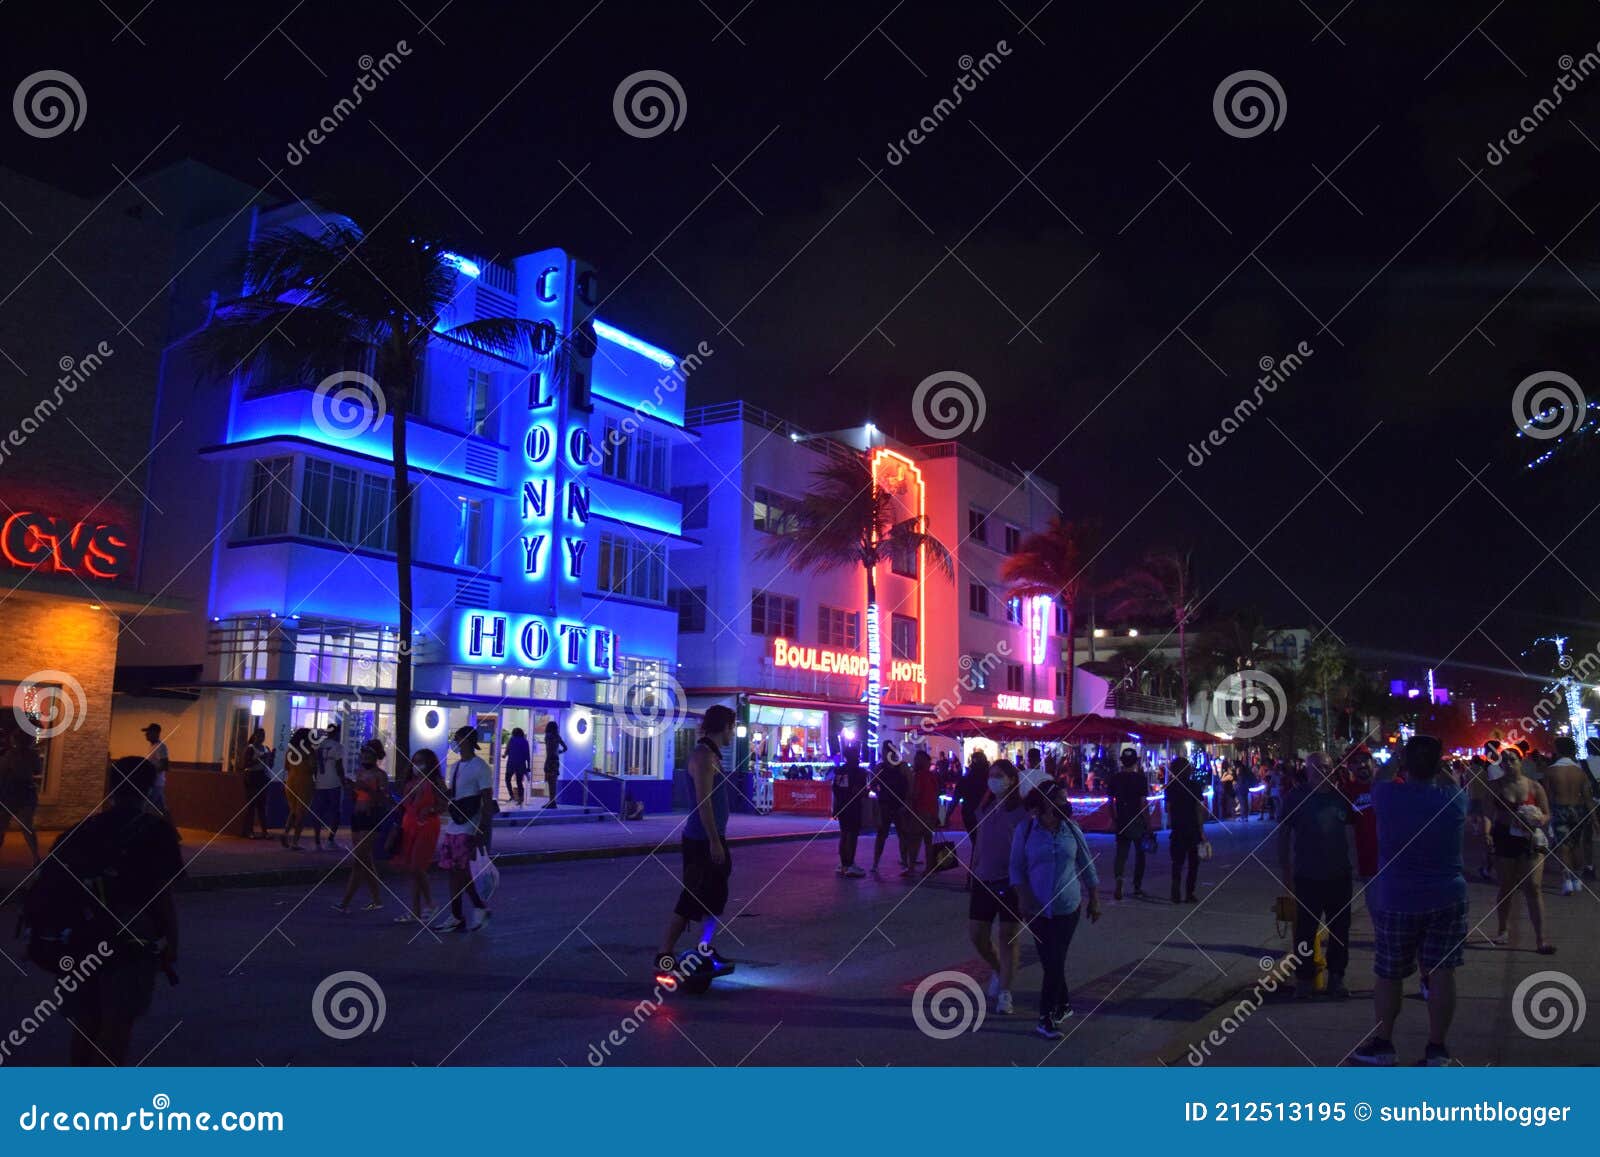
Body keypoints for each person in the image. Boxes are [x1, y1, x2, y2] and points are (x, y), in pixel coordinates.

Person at [56, 756, 181, 1065]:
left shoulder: (85, 828)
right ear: (149, 790)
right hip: (131, 935)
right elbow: (162, 894)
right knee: (117, 1023)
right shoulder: (156, 831)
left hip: (82, 932)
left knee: (87, 1021)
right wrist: (172, 942)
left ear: (111, 789)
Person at [1354, 734, 1467, 1067]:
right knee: (1442, 972)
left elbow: (1380, 776)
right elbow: (1450, 779)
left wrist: (1398, 758)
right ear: (1437, 766)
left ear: (1406, 765)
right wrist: (1438, 764)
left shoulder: (1387, 796)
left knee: (1389, 974)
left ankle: (1384, 1044)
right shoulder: (1455, 799)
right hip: (1447, 895)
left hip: (1398, 897)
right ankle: (1436, 1048)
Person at [1010, 781, 1100, 1039]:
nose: (1066, 803)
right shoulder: (1026, 830)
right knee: (1051, 961)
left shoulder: (1072, 829)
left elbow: (1086, 865)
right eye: (1060, 799)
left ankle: (1045, 1018)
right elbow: (1016, 868)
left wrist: (1094, 898)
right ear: (1046, 803)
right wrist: (1023, 898)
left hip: (1067, 907)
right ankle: (1063, 1004)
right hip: (1036, 909)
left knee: (1054, 961)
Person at [657, 705, 736, 971]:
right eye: (731, 728)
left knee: (715, 897)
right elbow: (704, 802)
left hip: (714, 837)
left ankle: (704, 948)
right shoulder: (703, 756)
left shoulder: (713, 755)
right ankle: (664, 954)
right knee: (692, 897)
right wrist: (714, 840)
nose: (733, 733)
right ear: (724, 727)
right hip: (701, 839)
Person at [1278, 752, 1355, 998]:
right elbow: (1283, 835)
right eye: (1318, 767)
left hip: (1339, 875)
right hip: (1307, 876)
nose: (1324, 771)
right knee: (1305, 931)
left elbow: (1354, 830)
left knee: (1340, 930)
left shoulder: (1341, 797)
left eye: (1328, 767)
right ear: (1307, 770)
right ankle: (1304, 980)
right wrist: (1286, 872)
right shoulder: (1295, 798)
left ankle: (1337, 978)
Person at [968, 758, 1028, 1015]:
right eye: (991, 774)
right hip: (983, 879)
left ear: (1012, 779)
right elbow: (980, 842)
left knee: (1008, 939)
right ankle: (998, 968)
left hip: (1010, 882)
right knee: (977, 936)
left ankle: (1005, 992)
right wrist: (972, 871)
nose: (993, 779)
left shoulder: (1022, 812)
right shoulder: (986, 806)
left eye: (999, 775)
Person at [1485, 748, 1554, 953]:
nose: (1508, 763)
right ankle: (1502, 929)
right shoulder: (1495, 786)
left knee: (1533, 887)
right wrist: (1486, 833)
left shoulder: (1534, 787)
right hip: (1505, 838)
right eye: (1504, 760)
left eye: (1512, 759)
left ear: (1520, 761)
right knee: (1506, 887)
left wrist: (1541, 819)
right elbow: (1488, 814)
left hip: (1530, 839)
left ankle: (1541, 939)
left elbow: (1547, 813)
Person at [440, 726, 494, 931]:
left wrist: (482, 829)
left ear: (468, 741)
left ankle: (472, 909)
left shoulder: (480, 767)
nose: (456, 742)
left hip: (468, 826)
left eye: (459, 739)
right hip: (454, 824)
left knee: (460, 870)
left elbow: (487, 799)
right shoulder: (455, 767)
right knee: (455, 872)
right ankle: (460, 913)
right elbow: (453, 793)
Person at [334, 739, 388, 914]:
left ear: (375, 756)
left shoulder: (381, 775)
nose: (364, 757)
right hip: (357, 816)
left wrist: (366, 788)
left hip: (372, 818)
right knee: (366, 861)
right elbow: (356, 796)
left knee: (359, 860)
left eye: (368, 754)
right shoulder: (359, 772)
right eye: (363, 754)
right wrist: (351, 788)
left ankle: (345, 902)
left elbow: (382, 799)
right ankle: (377, 900)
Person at [396, 748, 445, 924]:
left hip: (427, 826)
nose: (417, 765)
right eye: (415, 761)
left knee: (417, 866)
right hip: (409, 825)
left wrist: (430, 809)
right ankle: (415, 911)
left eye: (421, 761)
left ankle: (431, 904)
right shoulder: (411, 781)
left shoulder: (435, 781)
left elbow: (443, 804)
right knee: (413, 869)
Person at [1542, 737, 1592, 895]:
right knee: (1577, 844)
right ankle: (1577, 879)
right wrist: (1595, 819)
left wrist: (1546, 815)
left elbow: (1547, 796)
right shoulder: (1580, 772)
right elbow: (1587, 797)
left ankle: (1567, 880)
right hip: (1578, 810)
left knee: (1563, 846)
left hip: (1560, 809)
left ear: (1558, 750)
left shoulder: (1551, 771)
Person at [1109, 747, 1151, 900]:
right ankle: (1137, 886)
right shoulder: (1140, 779)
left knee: (1121, 854)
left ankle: (1119, 880)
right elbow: (1143, 803)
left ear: (1121, 761)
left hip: (1122, 820)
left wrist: (1113, 819)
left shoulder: (1115, 778)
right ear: (1136, 762)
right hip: (1137, 820)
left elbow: (1110, 802)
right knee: (1140, 854)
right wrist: (1149, 823)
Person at [1164, 757, 1205, 903]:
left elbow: (1167, 809)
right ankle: (1189, 892)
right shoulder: (1194, 785)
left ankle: (1175, 890)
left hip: (1177, 828)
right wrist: (1201, 830)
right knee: (1193, 863)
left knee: (1177, 862)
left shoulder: (1170, 787)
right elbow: (1198, 809)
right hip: (1192, 828)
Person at [0, 726, 42, 866]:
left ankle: (36, 857)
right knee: (27, 826)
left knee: (2, 825)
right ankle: (36, 857)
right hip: (26, 791)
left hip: (10, 792)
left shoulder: (10, 755)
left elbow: (2, 772)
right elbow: (37, 770)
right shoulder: (33, 755)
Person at [871, 742, 912, 876]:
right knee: (899, 835)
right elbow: (910, 785)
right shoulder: (900, 767)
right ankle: (902, 863)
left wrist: (879, 795)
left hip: (892, 805)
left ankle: (877, 864)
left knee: (891, 835)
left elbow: (872, 785)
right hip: (892, 805)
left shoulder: (885, 767)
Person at [831, 744, 867, 877]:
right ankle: (850, 864)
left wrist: (836, 807)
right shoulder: (859, 772)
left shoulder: (840, 771)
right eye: (857, 755)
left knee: (844, 834)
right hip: (853, 807)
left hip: (842, 805)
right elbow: (860, 791)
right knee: (852, 835)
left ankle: (843, 864)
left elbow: (836, 790)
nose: (858, 758)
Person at [906, 749, 943, 873]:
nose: (914, 761)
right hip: (931, 812)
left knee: (915, 841)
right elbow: (936, 794)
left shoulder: (919, 776)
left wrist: (908, 798)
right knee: (928, 841)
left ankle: (911, 867)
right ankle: (929, 867)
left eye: (916, 759)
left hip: (919, 812)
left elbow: (915, 794)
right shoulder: (932, 776)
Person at [311, 724, 346, 850]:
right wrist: (344, 782)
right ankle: (330, 840)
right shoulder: (338, 747)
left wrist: (316, 780)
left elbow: (316, 766)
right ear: (336, 733)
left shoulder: (319, 746)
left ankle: (317, 842)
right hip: (334, 784)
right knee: (335, 812)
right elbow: (339, 766)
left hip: (320, 784)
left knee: (318, 813)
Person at [281, 727, 316, 850]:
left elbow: (286, 766)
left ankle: (285, 833)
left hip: (290, 781)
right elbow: (312, 767)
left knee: (293, 810)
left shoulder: (290, 751)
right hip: (305, 782)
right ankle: (295, 842)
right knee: (301, 813)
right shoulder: (309, 751)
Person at [957, 749, 990, 876]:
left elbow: (956, 797)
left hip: (969, 814)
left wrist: (946, 816)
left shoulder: (966, 779)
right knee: (983, 844)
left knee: (976, 843)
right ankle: (977, 872)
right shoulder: (988, 778)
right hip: (985, 814)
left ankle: (974, 873)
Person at [240, 727, 272, 841]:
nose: (262, 738)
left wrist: (271, 757)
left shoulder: (266, 748)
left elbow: (269, 765)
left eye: (263, 736)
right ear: (255, 736)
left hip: (262, 776)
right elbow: (245, 764)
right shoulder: (250, 748)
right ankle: (249, 831)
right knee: (251, 806)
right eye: (259, 735)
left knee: (262, 806)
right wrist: (260, 758)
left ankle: (265, 831)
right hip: (251, 777)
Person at [541, 720, 567, 808]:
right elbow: (565, 748)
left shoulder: (548, 737)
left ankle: (551, 802)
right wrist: (558, 752)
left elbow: (549, 751)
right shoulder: (557, 736)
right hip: (556, 761)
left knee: (550, 782)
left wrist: (546, 764)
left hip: (550, 761)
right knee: (553, 782)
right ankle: (552, 801)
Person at [504, 727, 531, 807]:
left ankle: (512, 796)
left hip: (511, 763)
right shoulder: (525, 741)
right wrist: (528, 766)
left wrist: (504, 755)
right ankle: (520, 799)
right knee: (519, 782)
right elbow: (527, 755)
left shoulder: (511, 740)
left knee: (507, 779)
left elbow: (507, 749)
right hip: (521, 764)